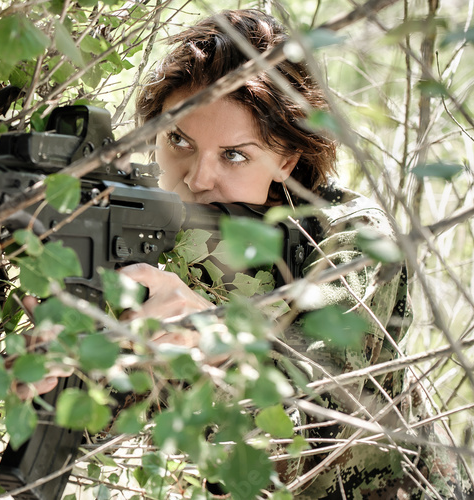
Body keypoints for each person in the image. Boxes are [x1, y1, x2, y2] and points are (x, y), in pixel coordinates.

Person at [115, 9, 471, 499]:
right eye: (178, 140)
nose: (196, 179)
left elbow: (301, 438)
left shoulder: (351, 237)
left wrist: (207, 345)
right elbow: (109, 417)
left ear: (286, 158)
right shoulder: (139, 221)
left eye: (234, 154)